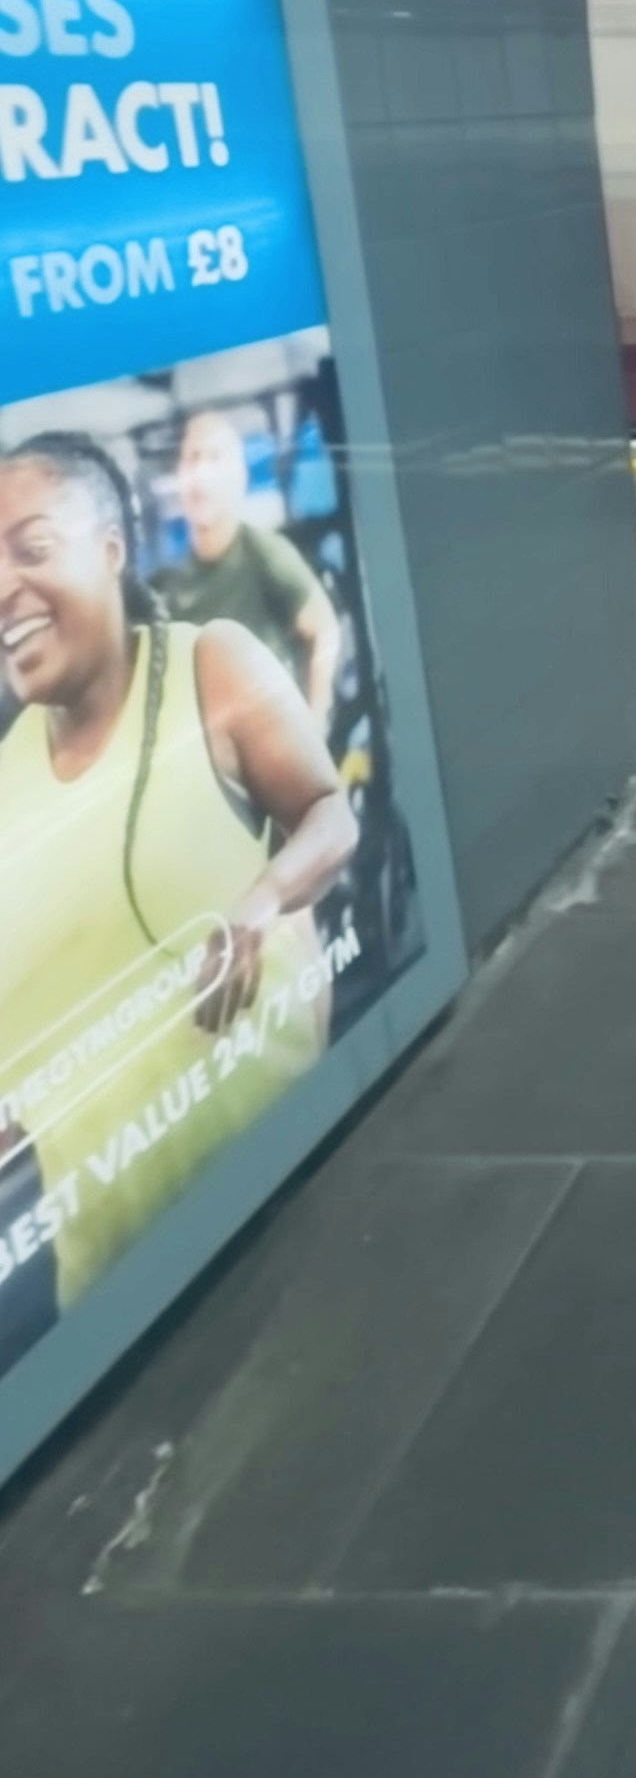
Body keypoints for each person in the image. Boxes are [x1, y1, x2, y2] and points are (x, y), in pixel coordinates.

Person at [0, 432, 358, 1367]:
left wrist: (264, 899)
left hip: (292, 1201)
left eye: (31, 549)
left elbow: (329, 816)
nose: (4, 586)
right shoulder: (3, 785)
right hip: (108, 1298)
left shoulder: (210, 664)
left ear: (111, 550)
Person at [168, 410, 341, 724]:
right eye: (191, 458)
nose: (200, 473)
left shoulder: (265, 554)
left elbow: (325, 629)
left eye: (214, 458)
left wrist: (315, 731)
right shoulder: (171, 586)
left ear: (238, 479)